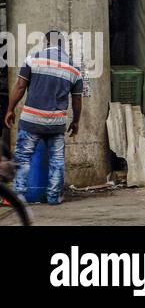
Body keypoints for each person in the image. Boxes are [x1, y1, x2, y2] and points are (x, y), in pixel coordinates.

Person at [3, 30, 84, 205]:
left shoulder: (33, 59)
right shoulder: (74, 69)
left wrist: (10, 109)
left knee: (23, 158)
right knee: (57, 160)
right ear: (62, 44)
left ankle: (19, 197)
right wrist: (76, 121)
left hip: (31, 120)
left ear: (46, 42)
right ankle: (54, 197)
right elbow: (77, 100)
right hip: (56, 123)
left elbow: (20, 86)